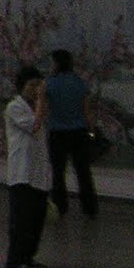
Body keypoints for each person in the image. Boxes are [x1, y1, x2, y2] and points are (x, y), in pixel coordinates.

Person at [4, 65, 50, 268]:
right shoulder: (14, 107)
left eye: (38, 86)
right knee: (21, 219)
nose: (35, 90)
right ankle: (15, 258)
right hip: (21, 173)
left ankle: (29, 255)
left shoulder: (37, 108)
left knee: (36, 219)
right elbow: (34, 126)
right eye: (31, 86)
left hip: (38, 172)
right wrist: (40, 101)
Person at [45, 48, 99, 219]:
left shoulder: (49, 84)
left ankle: (60, 206)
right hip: (79, 132)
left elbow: (45, 110)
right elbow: (88, 112)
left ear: (56, 63)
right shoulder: (80, 83)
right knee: (83, 171)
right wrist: (92, 132)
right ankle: (89, 207)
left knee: (58, 172)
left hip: (57, 133)